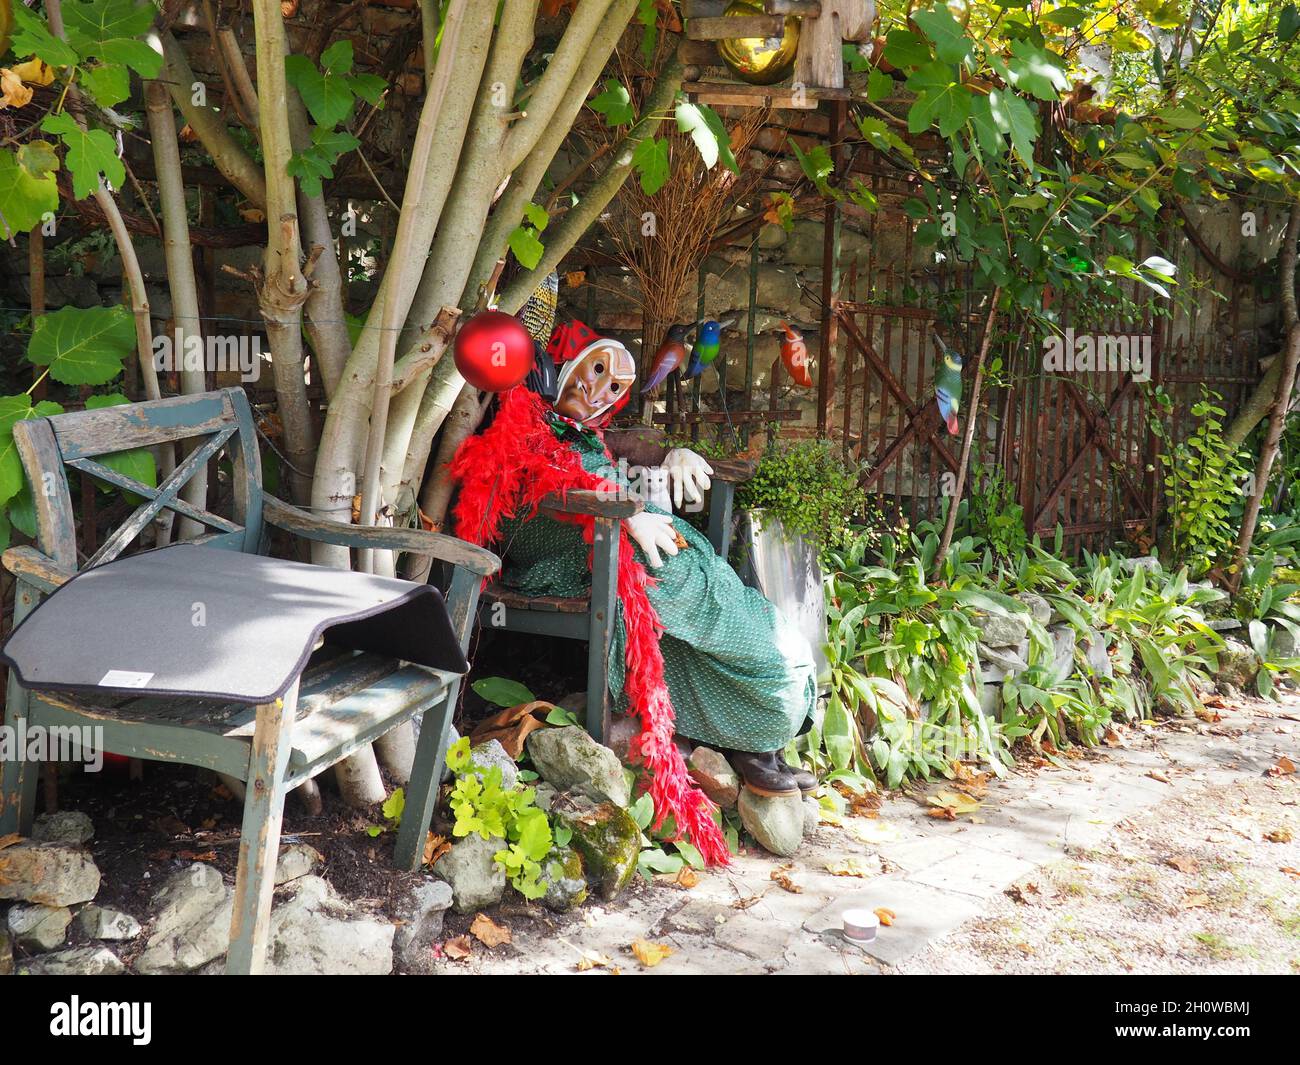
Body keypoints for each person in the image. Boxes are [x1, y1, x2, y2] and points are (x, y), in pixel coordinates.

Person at [451, 314, 817, 864]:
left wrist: (675, 456)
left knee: (730, 627)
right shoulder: (522, 421)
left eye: (617, 385)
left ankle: (750, 737)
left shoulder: (591, 434)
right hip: (586, 557)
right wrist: (620, 513)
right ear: (558, 368)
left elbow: (636, 447)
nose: (600, 390)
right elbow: (537, 479)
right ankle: (762, 723)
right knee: (721, 620)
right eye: (594, 369)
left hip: (640, 553)